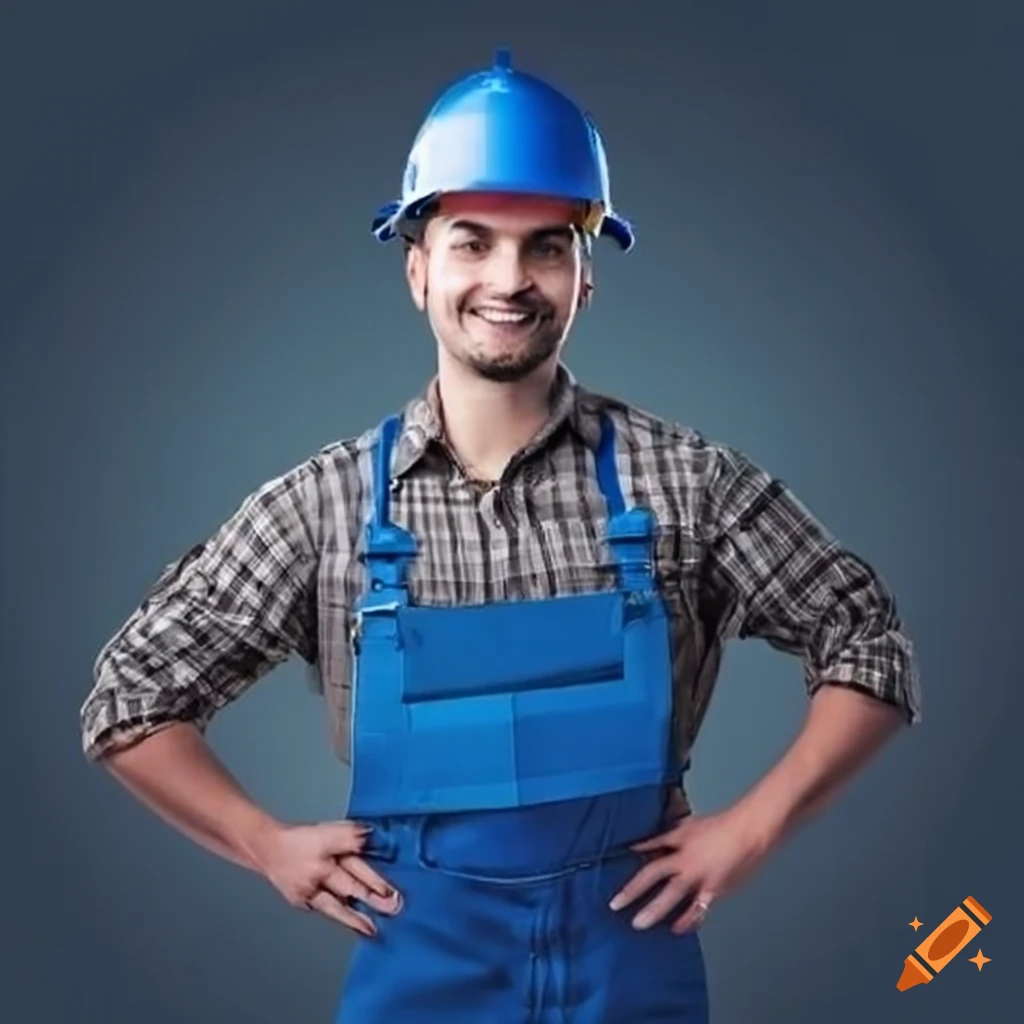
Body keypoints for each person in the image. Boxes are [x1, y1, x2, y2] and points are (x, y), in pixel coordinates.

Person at [80, 48, 921, 1023]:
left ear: (585, 277)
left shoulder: (685, 482)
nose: (509, 279)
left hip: (631, 961)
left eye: (547, 246)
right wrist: (263, 841)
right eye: (472, 241)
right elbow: (130, 695)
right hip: (422, 972)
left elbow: (866, 634)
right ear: (416, 268)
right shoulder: (324, 508)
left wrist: (756, 826)